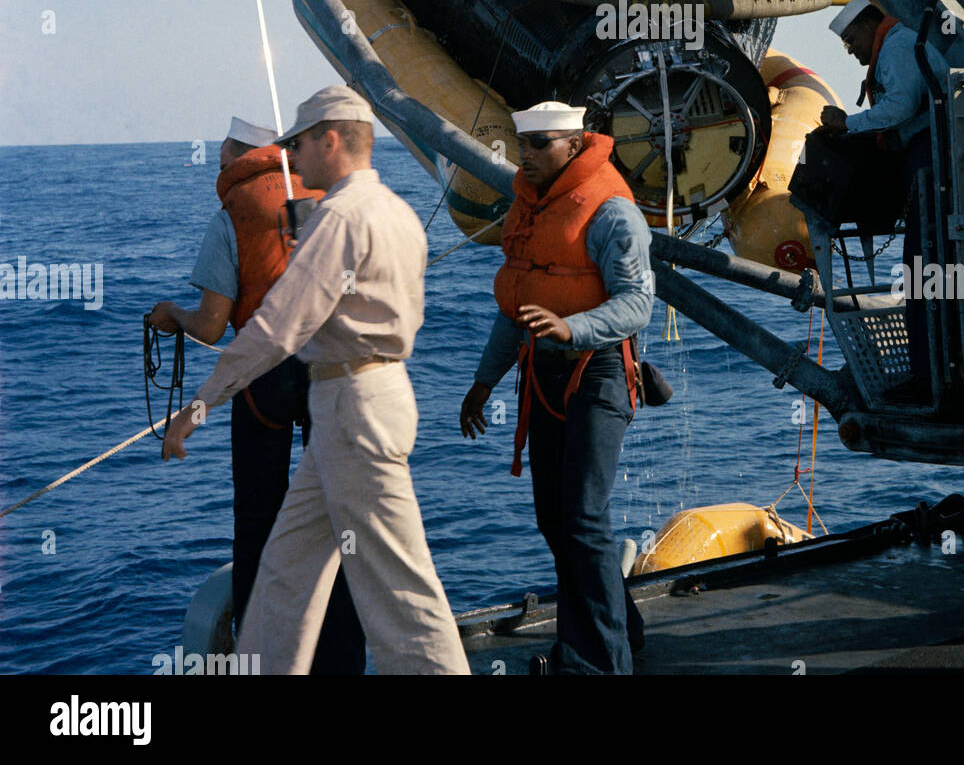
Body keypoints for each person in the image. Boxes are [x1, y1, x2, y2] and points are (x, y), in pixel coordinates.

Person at [162, 86, 469, 676]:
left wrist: (196, 409)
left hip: (353, 411)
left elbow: (275, 329)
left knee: (402, 593)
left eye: (299, 144)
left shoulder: (340, 217)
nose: (292, 158)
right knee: (285, 573)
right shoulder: (398, 213)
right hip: (359, 404)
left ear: (331, 139)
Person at [148, 115, 365, 675]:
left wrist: (172, 315)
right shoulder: (327, 197)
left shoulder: (232, 216)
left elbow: (214, 326)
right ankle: (340, 658)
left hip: (263, 377)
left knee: (258, 518)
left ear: (241, 157)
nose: (219, 171)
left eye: (222, 161)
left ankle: (259, 658)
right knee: (336, 516)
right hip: (332, 372)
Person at [459, 101, 654, 675]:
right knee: (554, 515)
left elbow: (639, 302)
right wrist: (482, 381)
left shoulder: (614, 212)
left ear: (573, 144)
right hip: (538, 375)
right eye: (523, 145)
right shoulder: (530, 209)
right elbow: (514, 304)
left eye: (540, 144)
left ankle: (596, 664)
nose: (528, 155)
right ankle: (621, 632)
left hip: (597, 374)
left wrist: (574, 327)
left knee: (583, 517)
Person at [806, 0, 948, 399]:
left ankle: (928, 379)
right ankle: (934, 372)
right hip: (926, 162)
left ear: (871, 26)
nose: (852, 52)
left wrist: (845, 125)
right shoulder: (899, 46)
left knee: (923, 274)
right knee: (924, 273)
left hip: (931, 162)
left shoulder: (900, 47)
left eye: (853, 41)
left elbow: (900, 108)